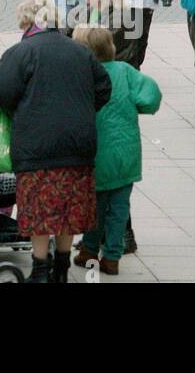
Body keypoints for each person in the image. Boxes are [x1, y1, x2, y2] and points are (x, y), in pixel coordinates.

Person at [0, 0, 112, 283]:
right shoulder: (81, 52)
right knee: (69, 208)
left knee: (40, 210)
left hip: (37, 148)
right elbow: (104, 88)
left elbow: (1, 91)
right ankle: (62, 269)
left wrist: (22, 110)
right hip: (77, 146)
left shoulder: (23, 51)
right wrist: (80, 110)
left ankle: (40, 269)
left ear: (28, 22)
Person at [71, 25, 162, 274]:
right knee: (120, 206)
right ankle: (112, 256)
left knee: (95, 205)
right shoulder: (125, 71)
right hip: (127, 152)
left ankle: (89, 249)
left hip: (98, 153)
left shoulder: (85, 74)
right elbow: (151, 97)